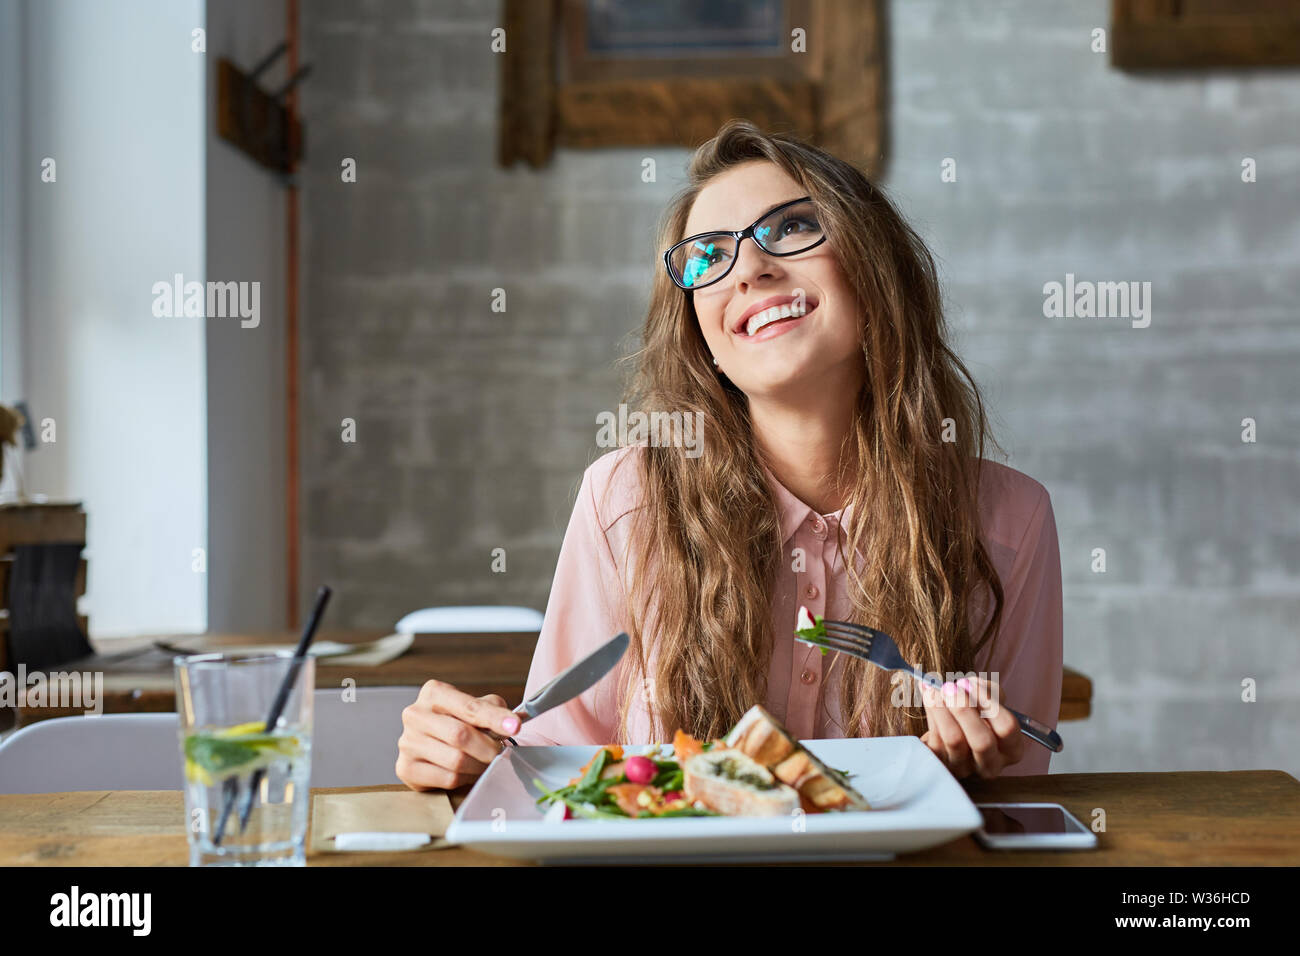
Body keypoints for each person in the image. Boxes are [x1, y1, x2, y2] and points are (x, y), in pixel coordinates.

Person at [397, 119, 1063, 792]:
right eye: (707, 256)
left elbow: (1022, 785)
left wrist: (971, 765)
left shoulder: (1012, 518)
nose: (750, 269)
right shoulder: (624, 498)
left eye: (793, 228)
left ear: (875, 267)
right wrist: (469, 754)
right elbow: (559, 766)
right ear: (699, 331)